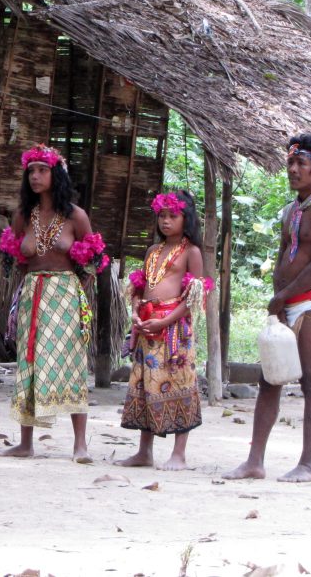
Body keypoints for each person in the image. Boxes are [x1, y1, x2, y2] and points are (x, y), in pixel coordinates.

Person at [225, 133, 311, 483]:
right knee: (269, 381)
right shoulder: (291, 210)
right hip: (286, 303)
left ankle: (307, 464)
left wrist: (282, 296)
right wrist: (278, 299)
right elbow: (284, 257)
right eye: (291, 162)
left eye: (301, 163)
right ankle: (254, 461)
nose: (292, 169)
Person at [0, 144, 108, 462]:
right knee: (28, 362)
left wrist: (76, 290)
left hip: (65, 297)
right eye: (31, 171)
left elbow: (93, 262)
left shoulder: (76, 216)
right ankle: (26, 443)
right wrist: (32, 285)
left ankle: (80, 446)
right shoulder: (22, 217)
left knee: (71, 364)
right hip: (33, 293)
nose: (35, 176)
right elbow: (19, 261)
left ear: (55, 173)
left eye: (42, 170)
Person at [117, 190, 210, 470]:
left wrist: (166, 321)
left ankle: (179, 454)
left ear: (186, 218)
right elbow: (139, 286)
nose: (166, 221)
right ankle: (144, 452)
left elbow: (194, 297)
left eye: (173, 216)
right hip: (147, 324)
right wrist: (135, 311)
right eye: (162, 216)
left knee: (179, 382)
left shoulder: (191, 252)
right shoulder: (152, 252)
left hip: (174, 330)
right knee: (146, 384)